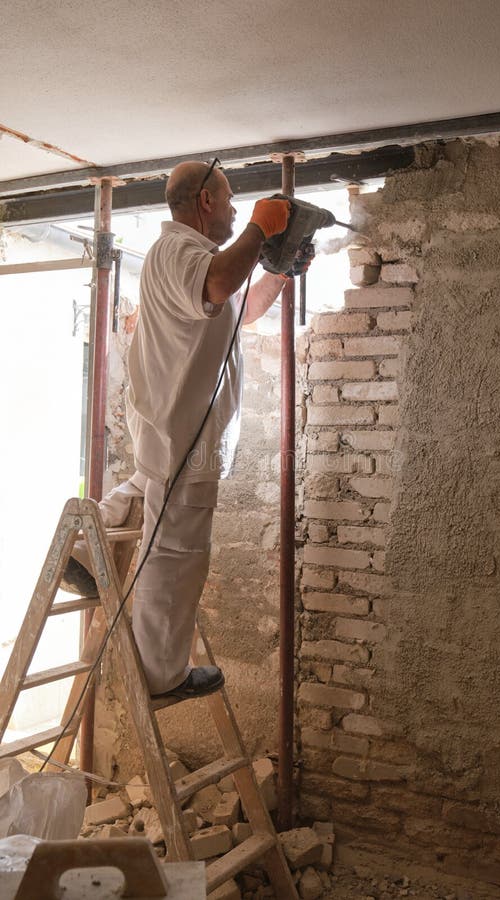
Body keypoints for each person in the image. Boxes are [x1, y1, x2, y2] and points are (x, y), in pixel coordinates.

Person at [64, 161, 292, 700]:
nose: (236, 210)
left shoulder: (195, 261)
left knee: (150, 487)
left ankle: (83, 549)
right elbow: (219, 283)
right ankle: (161, 676)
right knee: (175, 552)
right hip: (183, 435)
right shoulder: (180, 252)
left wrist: (280, 272)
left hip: (174, 432)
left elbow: (240, 307)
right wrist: (260, 229)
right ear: (205, 202)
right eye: (231, 200)